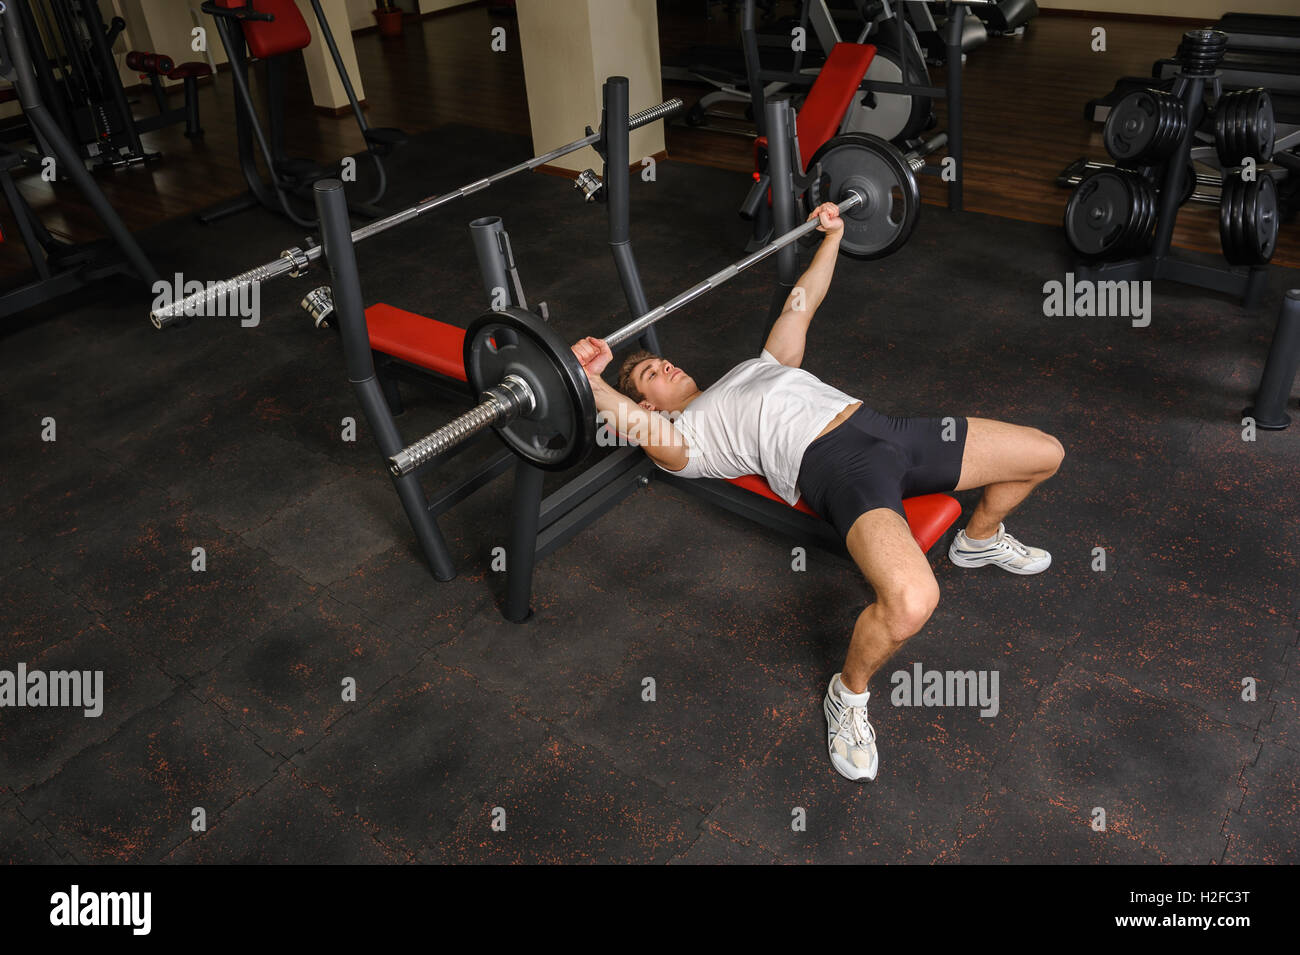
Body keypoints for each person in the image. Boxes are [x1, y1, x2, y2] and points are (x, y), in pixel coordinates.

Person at [570, 201, 1064, 782]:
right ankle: (848, 696)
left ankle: (978, 540)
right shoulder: (683, 439)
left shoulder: (757, 366)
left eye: (663, 359)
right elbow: (632, 422)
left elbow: (802, 302)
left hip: (888, 431)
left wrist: (832, 235)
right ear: (647, 403)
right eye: (653, 373)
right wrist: (591, 381)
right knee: (911, 602)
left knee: (1044, 453)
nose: (668, 366)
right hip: (840, 471)